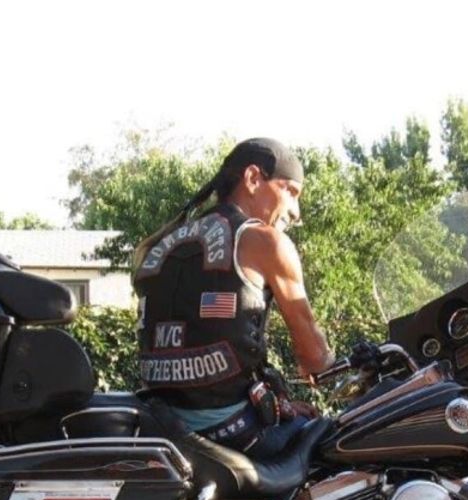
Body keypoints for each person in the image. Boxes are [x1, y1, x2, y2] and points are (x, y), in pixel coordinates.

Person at [132, 138, 335, 457]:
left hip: (165, 426)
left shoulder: (162, 244)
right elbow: (314, 358)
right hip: (235, 435)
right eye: (291, 192)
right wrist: (335, 363)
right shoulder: (264, 241)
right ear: (253, 178)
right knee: (342, 445)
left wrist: (278, 402)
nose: (296, 212)